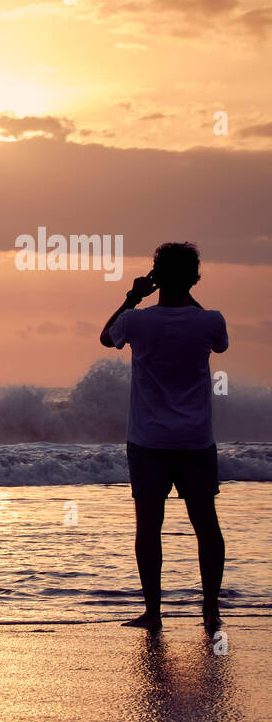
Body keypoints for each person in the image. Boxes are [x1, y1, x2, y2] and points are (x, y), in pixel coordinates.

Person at [98, 242, 228, 634]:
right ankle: (209, 611)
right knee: (206, 526)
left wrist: (134, 296)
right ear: (195, 277)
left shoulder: (137, 321)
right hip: (195, 440)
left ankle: (153, 613)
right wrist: (185, 289)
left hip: (148, 441)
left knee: (148, 528)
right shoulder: (210, 320)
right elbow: (218, 342)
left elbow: (107, 337)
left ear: (156, 276)